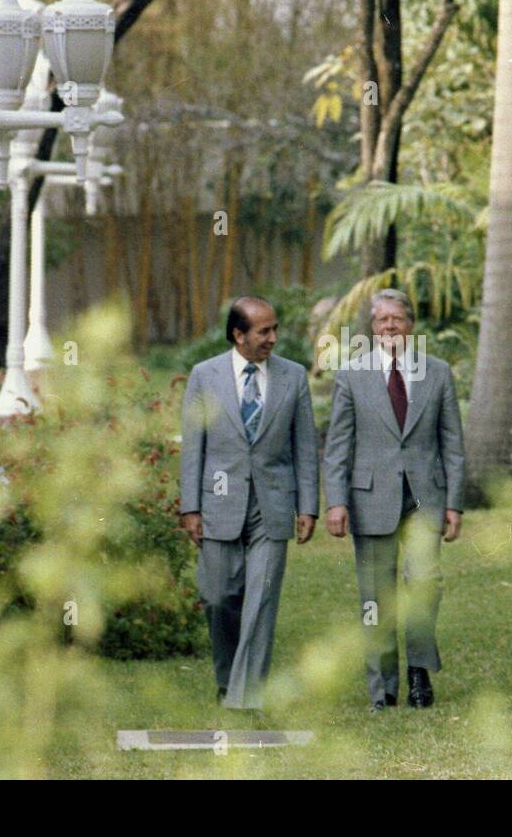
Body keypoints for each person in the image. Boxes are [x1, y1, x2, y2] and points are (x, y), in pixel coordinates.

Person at [324, 288, 465, 712]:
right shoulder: (352, 375)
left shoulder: (437, 373)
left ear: (411, 325)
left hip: (425, 497)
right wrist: (336, 501)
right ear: (372, 327)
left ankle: (419, 672)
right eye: (382, 320)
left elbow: (452, 443)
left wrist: (454, 504)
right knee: (375, 595)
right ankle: (382, 688)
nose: (390, 327)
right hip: (370, 499)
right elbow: (338, 445)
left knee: (425, 585)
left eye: (397, 320)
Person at [179, 296, 319, 710]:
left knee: (262, 598)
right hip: (219, 502)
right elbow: (193, 447)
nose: (273, 338)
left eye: (275, 329)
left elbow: (305, 447)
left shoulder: (293, 377)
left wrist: (307, 506)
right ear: (238, 335)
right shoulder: (204, 376)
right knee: (219, 597)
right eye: (264, 331)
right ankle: (228, 678)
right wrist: (190, 507)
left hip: (272, 506)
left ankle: (245, 696)